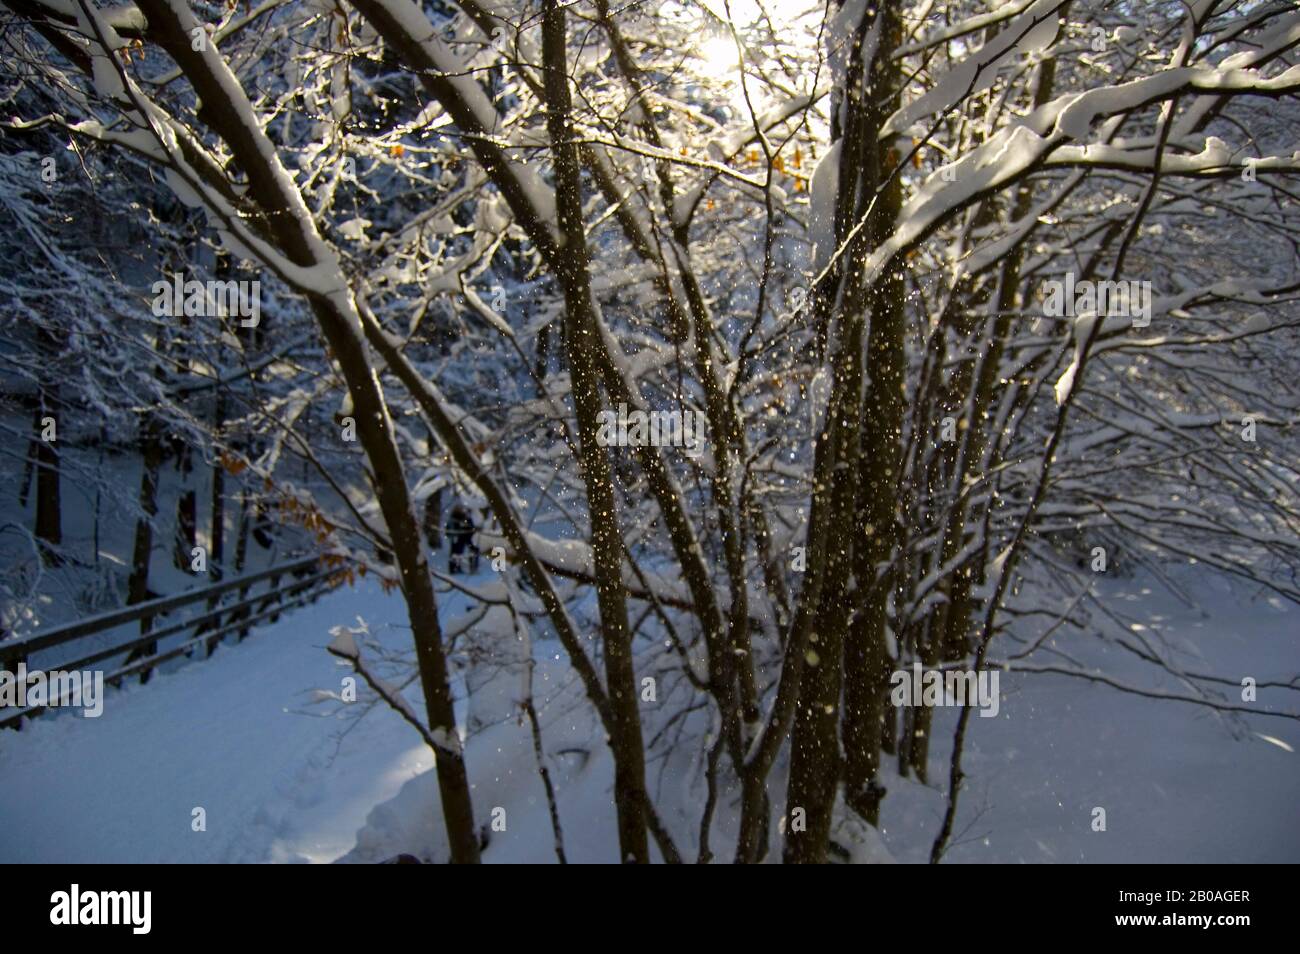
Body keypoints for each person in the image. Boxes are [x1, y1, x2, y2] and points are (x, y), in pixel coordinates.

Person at [446, 504, 477, 574]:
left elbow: (471, 528)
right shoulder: (454, 518)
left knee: (460, 552)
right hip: (457, 538)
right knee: (455, 553)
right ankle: (454, 569)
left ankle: (460, 568)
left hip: (463, 537)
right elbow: (449, 530)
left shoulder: (466, 518)